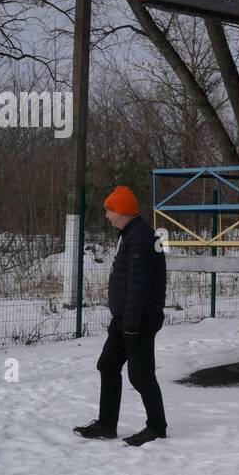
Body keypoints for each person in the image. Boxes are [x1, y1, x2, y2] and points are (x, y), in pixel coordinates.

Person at [73, 185, 168, 447]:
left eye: (109, 211)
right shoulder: (130, 234)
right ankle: (106, 424)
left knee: (141, 375)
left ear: (121, 211)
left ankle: (157, 427)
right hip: (125, 319)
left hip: (138, 320)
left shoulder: (140, 237)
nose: (107, 216)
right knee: (107, 365)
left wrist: (131, 323)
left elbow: (139, 285)